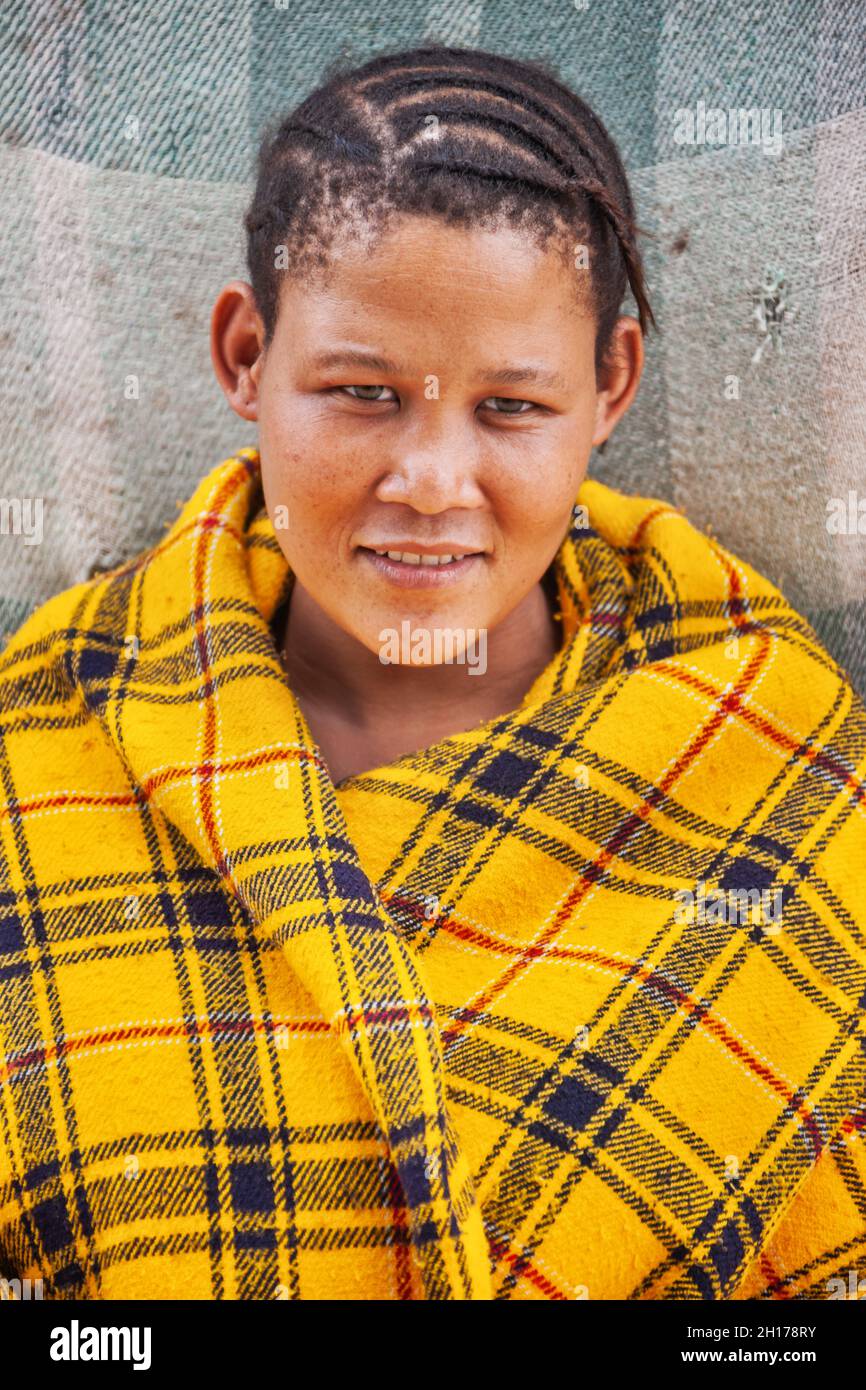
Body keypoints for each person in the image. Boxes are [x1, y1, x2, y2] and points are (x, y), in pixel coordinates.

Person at [0, 43, 863, 1302]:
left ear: (609, 383)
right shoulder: (46, 738)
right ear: (245, 357)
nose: (432, 481)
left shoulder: (769, 754)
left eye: (510, 408)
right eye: (360, 392)